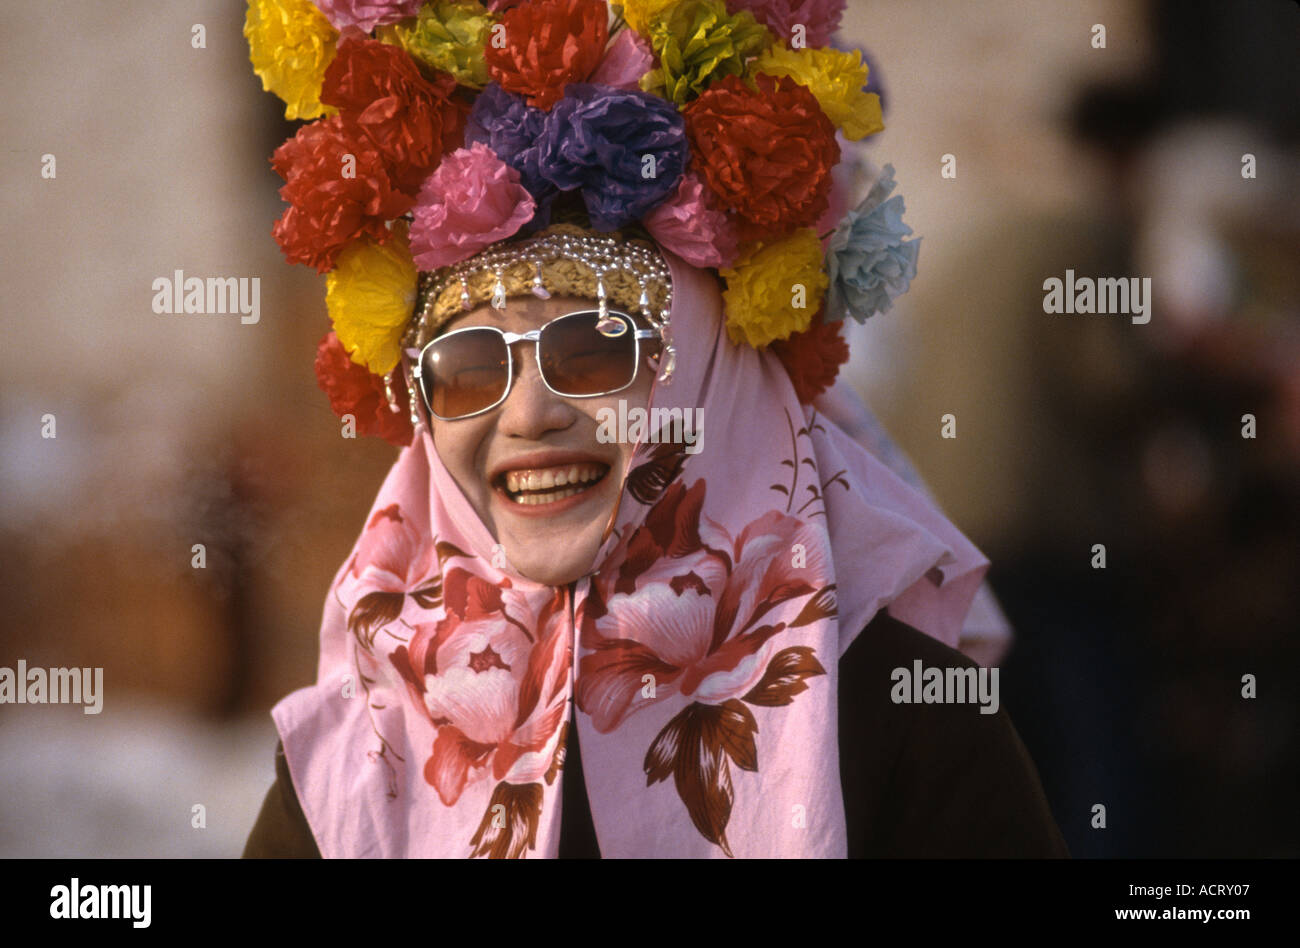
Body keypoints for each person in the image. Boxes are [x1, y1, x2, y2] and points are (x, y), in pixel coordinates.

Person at [241, 0, 1065, 858]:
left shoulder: (902, 711)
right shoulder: (357, 759)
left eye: (595, 351)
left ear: (716, 380)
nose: (527, 416)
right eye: (472, 370)